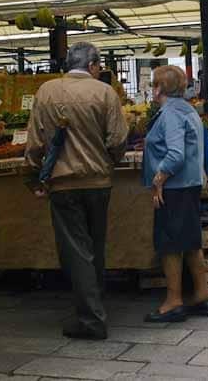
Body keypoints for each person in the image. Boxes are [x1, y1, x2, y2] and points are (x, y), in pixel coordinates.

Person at [24, 43, 128, 340]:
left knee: (77, 251)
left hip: (63, 183)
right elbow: (118, 138)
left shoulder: (46, 91)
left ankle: (91, 319)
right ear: (93, 64)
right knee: (95, 246)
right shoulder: (104, 92)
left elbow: (34, 141)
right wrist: (108, 160)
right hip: (99, 182)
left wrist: (33, 175)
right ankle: (95, 307)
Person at [142, 65, 208, 323]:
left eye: (153, 85)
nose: (151, 90)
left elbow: (175, 154)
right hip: (190, 184)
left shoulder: (171, 113)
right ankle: (202, 296)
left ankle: (173, 302)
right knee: (191, 241)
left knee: (170, 245)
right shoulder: (188, 110)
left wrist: (159, 178)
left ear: (159, 88)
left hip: (175, 187)